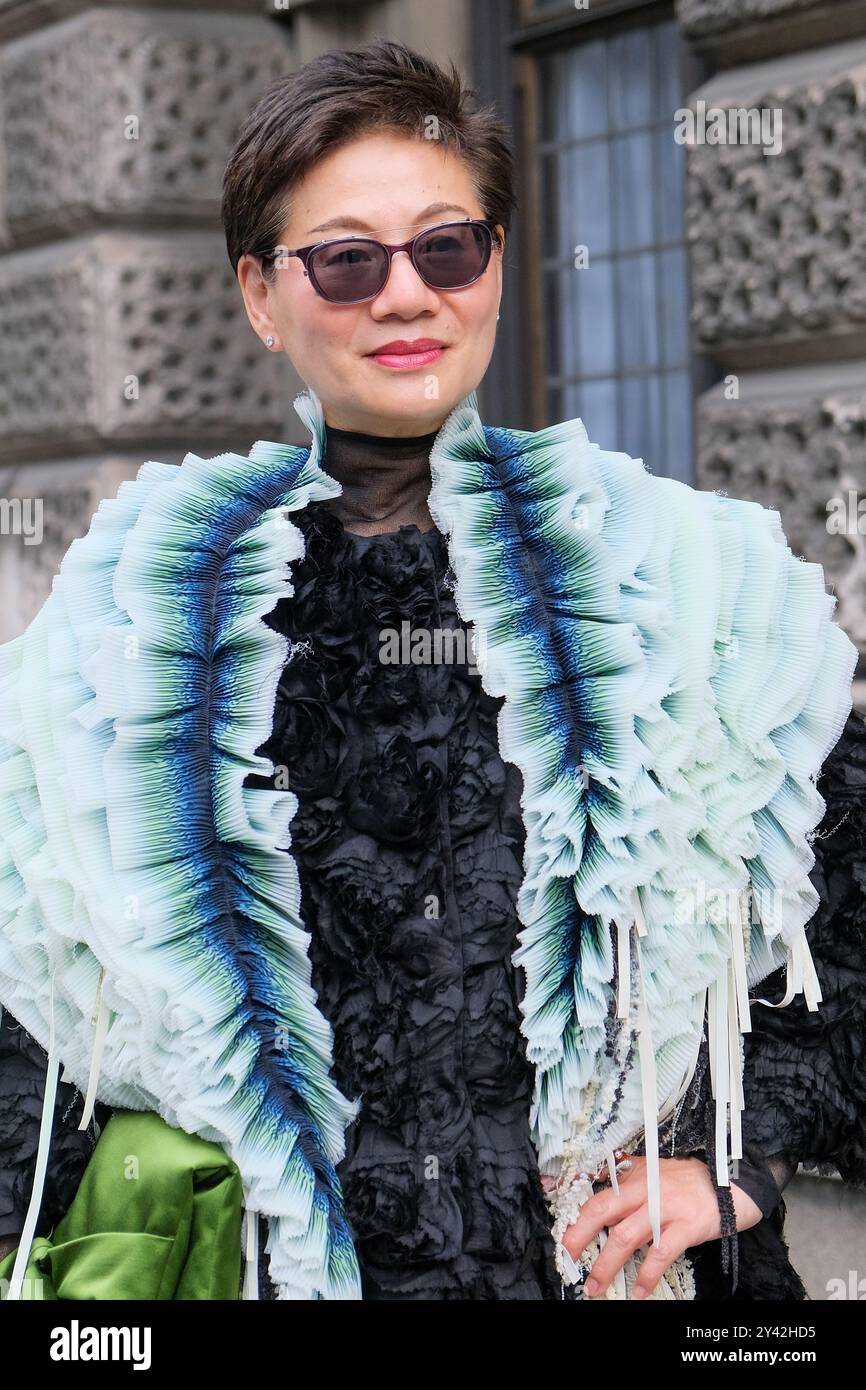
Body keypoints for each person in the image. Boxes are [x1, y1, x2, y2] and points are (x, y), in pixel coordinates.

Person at [0, 39, 863, 1302]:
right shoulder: (129, 619)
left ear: (497, 269)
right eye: (345, 260)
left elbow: (835, 919)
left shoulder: (682, 579)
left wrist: (741, 1164)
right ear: (260, 294)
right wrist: (136, 1190)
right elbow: (25, 998)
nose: (404, 296)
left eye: (446, 247)